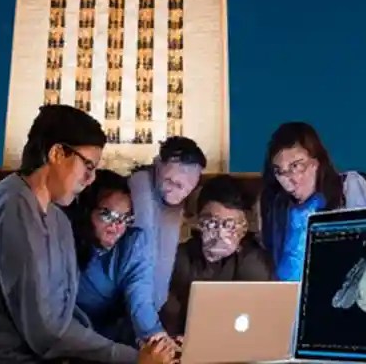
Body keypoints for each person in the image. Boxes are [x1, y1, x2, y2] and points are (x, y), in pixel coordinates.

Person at [0, 105, 173, 364]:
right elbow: (45, 329)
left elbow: (67, 313)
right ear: (57, 153)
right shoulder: (13, 205)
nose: (90, 179)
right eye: (87, 165)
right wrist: (133, 359)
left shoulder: (58, 219)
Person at [258, 121, 366, 282]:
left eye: (296, 166)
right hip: (284, 297)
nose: (289, 180)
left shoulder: (347, 188)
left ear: (316, 161)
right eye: (280, 171)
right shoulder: (275, 203)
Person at [159, 175, 274, 336]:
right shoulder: (179, 258)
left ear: (244, 227)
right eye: (212, 223)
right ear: (199, 222)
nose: (220, 234)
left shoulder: (254, 261)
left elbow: (261, 323)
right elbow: (168, 320)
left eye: (230, 225)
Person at [70, 170, 171, 348]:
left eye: (124, 218)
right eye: (108, 215)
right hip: (74, 340)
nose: (116, 227)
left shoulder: (134, 243)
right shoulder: (66, 242)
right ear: (86, 211)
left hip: (122, 339)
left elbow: (140, 297)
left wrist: (158, 340)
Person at [128, 136, 207, 311]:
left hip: (151, 305)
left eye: (186, 187)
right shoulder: (142, 187)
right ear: (158, 164)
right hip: (135, 305)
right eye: (171, 181)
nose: (178, 191)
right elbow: (143, 256)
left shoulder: (174, 200)